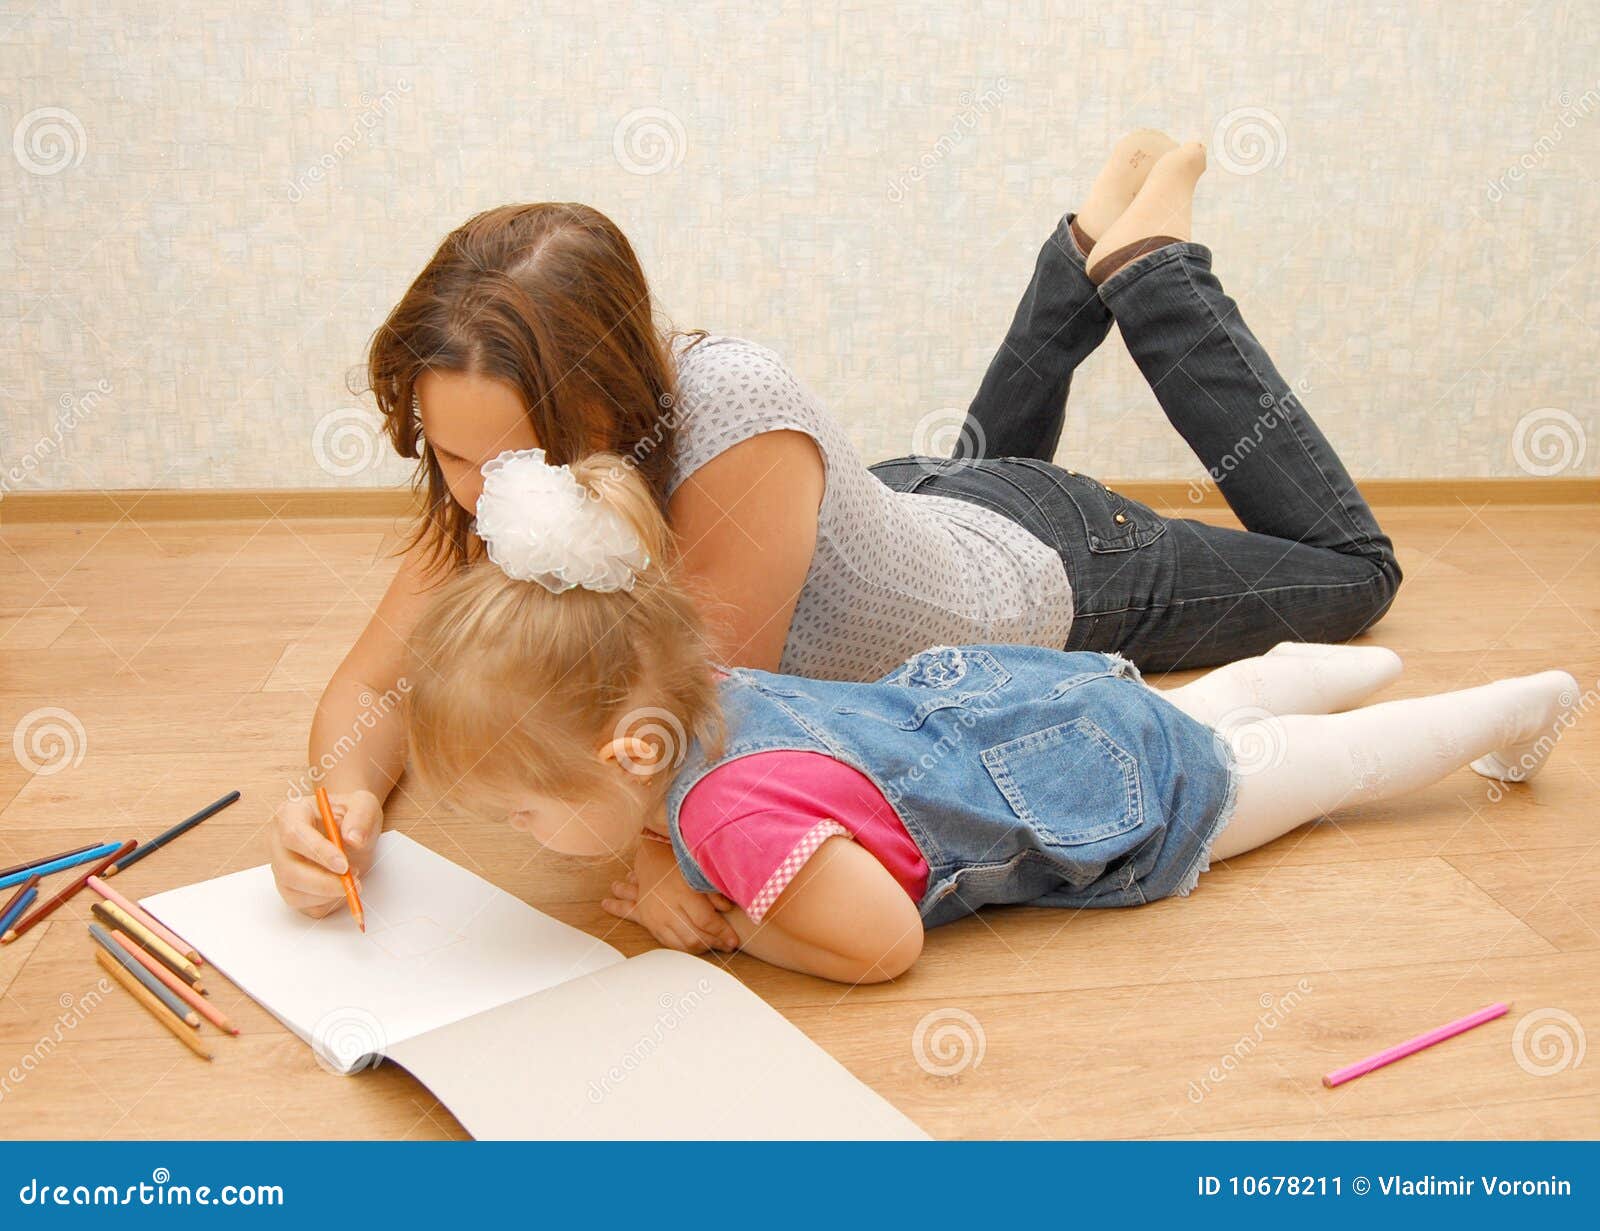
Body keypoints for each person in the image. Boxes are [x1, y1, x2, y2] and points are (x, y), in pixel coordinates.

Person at [271, 133, 1402, 952]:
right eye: (448, 457)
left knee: (1355, 575)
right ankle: (1076, 257)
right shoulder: (503, 477)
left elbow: (690, 727)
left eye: (508, 461)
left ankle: (1150, 270)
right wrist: (342, 807)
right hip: (902, 517)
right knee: (955, 485)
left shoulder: (734, 420)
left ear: (608, 402)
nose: (477, 498)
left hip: (1046, 572)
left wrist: (656, 867)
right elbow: (374, 687)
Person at [274, 451, 1566, 986]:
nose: (516, 829)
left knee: (1288, 772)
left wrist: (729, 930)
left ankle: (1504, 709)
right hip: (1037, 699)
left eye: (517, 804)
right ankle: (1322, 657)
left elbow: (884, 941)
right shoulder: (696, 693)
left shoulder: (723, 813)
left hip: (1099, 787)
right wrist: (649, 853)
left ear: (628, 752)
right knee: (1218, 704)